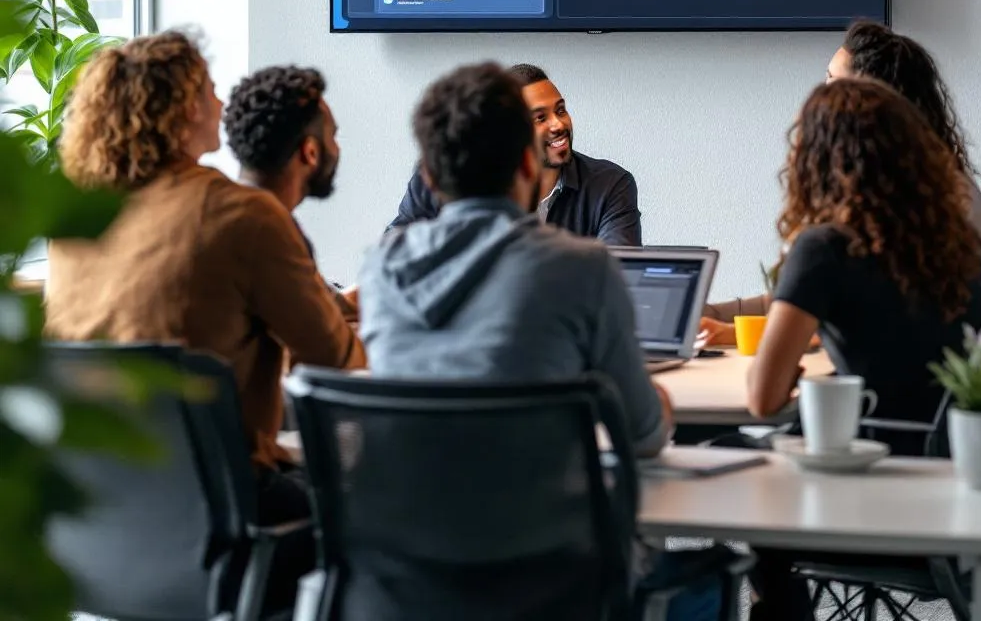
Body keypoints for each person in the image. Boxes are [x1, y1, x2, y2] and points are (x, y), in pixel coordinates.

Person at [362, 62, 745, 618]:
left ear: (430, 175)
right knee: (706, 567)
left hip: (405, 575)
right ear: (524, 160)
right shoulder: (584, 269)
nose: (559, 125)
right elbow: (641, 437)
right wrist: (654, 401)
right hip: (554, 575)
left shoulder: (379, 272)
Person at [45, 31, 366, 610]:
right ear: (186, 108)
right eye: (212, 92)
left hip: (93, 522)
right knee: (395, 502)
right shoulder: (240, 211)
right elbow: (337, 362)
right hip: (225, 522)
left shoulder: (74, 221)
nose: (221, 106)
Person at [742, 78, 981, 619]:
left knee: (728, 459)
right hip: (965, 494)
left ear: (816, 160)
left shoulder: (824, 248)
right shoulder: (959, 248)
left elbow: (763, 398)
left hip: (874, 501)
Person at [700, 20, 981, 345]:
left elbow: (877, 326)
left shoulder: (948, 199)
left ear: (869, 100)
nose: (820, 97)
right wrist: (715, 312)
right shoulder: (865, 191)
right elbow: (808, 295)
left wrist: (731, 333)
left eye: (834, 83)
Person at [389, 63, 642, 245]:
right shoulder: (447, 176)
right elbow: (394, 253)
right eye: (540, 118)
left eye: (561, 110)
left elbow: (621, 278)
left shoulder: (611, 185)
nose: (558, 124)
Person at [222, 65, 358, 321]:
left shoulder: (222, 208)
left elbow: (332, 306)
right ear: (311, 152)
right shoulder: (269, 232)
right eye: (333, 136)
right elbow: (337, 351)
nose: (337, 147)